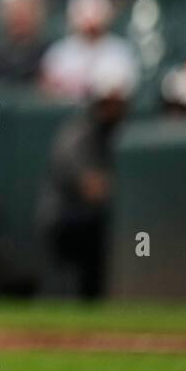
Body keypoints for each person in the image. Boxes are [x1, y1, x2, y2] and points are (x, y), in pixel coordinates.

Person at [36, 54, 135, 299]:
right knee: (99, 226)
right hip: (66, 218)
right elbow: (92, 190)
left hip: (100, 218)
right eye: (106, 102)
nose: (112, 109)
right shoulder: (78, 134)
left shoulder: (125, 130)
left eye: (116, 102)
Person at [41, 0, 138, 100]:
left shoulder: (121, 52)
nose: (89, 18)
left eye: (96, 10)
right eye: (82, 11)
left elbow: (123, 95)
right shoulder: (58, 53)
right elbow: (46, 92)